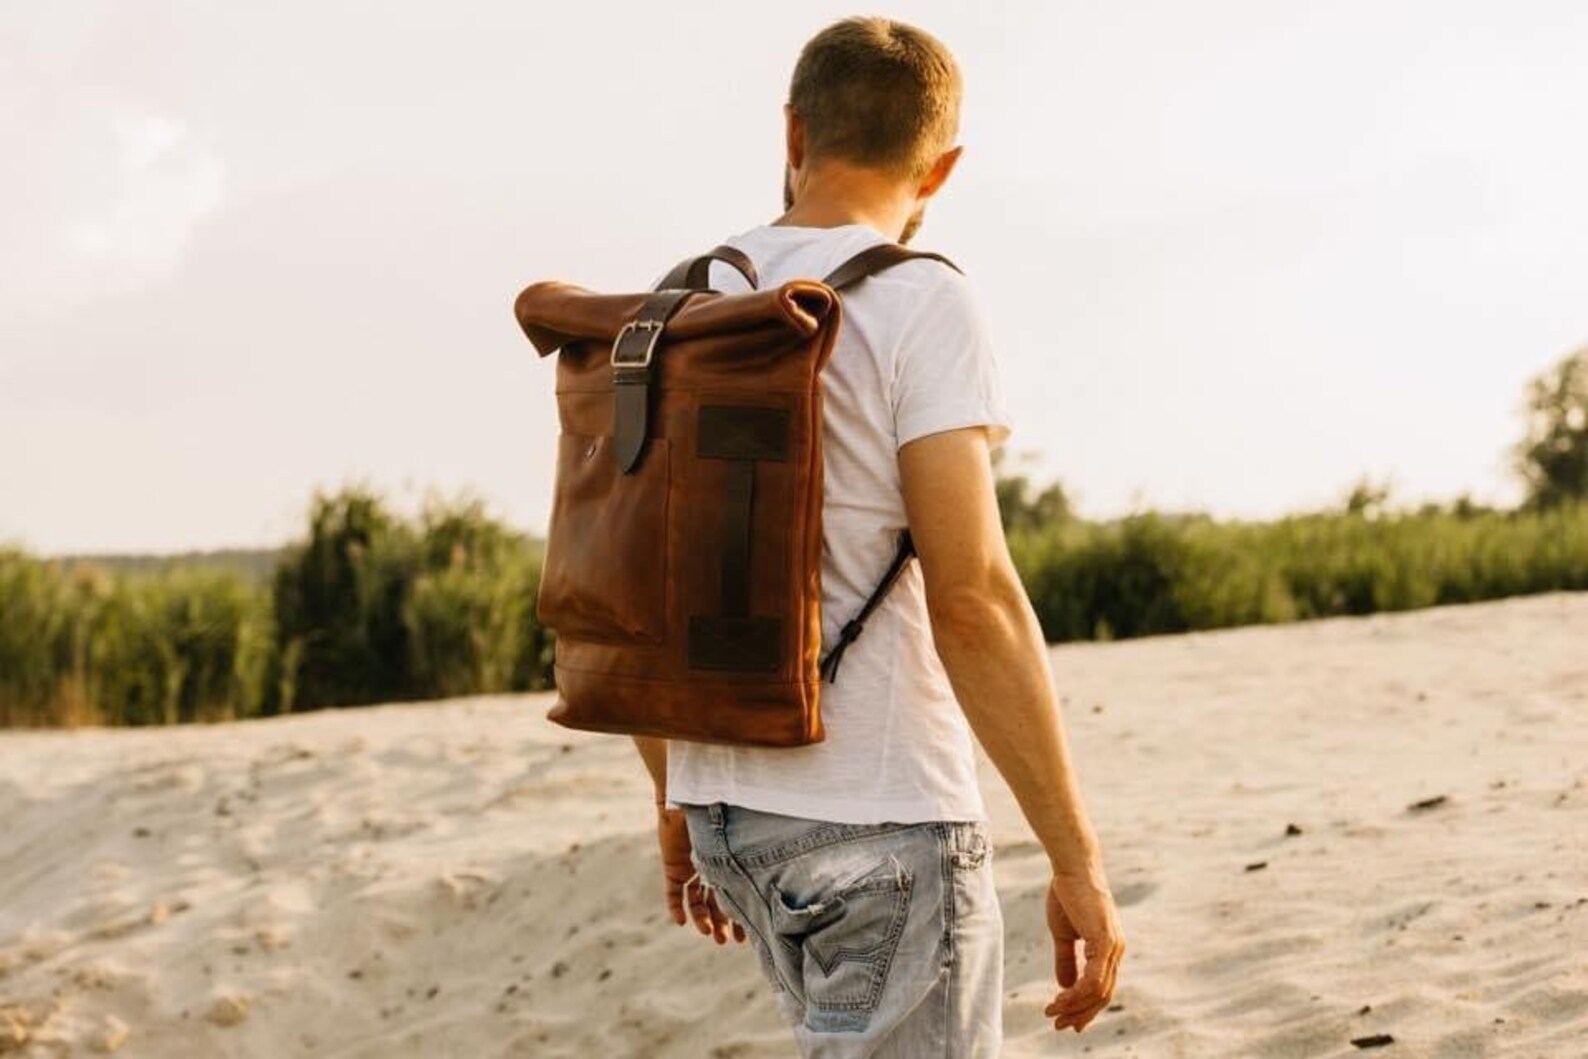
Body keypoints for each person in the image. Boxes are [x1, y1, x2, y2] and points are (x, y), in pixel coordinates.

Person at [629, 16, 1123, 1056]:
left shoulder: (680, 302)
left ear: (792, 132)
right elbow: (974, 595)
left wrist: (676, 800)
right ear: (941, 168)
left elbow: (640, 579)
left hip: (729, 813)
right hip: (879, 811)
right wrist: (1074, 859)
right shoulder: (919, 301)